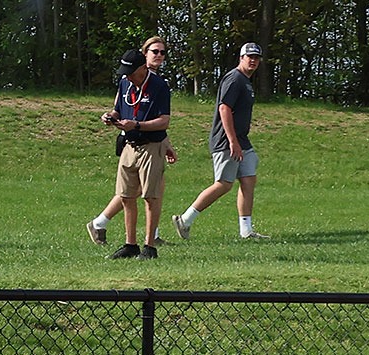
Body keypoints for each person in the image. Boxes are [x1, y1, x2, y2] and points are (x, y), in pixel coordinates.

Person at [171, 43, 267, 241]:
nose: (253, 60)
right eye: (249, 57)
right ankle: (185, 220)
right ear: (241, 58)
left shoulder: (247, 82)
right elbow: (224, 108)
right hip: (227, 140)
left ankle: (246, 230)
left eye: (256, 57)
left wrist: (240, 140)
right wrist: (232, 141)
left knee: (249, 180)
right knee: (223, 184)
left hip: (243, 140)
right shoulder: (235, 78)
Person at [88, 36, 176, 248]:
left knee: (151, 194)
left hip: (151, 143)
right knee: (128, 193)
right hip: (130, 143)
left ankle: (149, 242)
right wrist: (110, 116)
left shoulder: (159, 85)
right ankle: (127, 241)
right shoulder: (126, 82)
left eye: (162, 52)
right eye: (155, 51)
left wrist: (165, 143)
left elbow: (163, 120)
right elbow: (118, 108)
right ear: (145, 55)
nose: (159, 56)